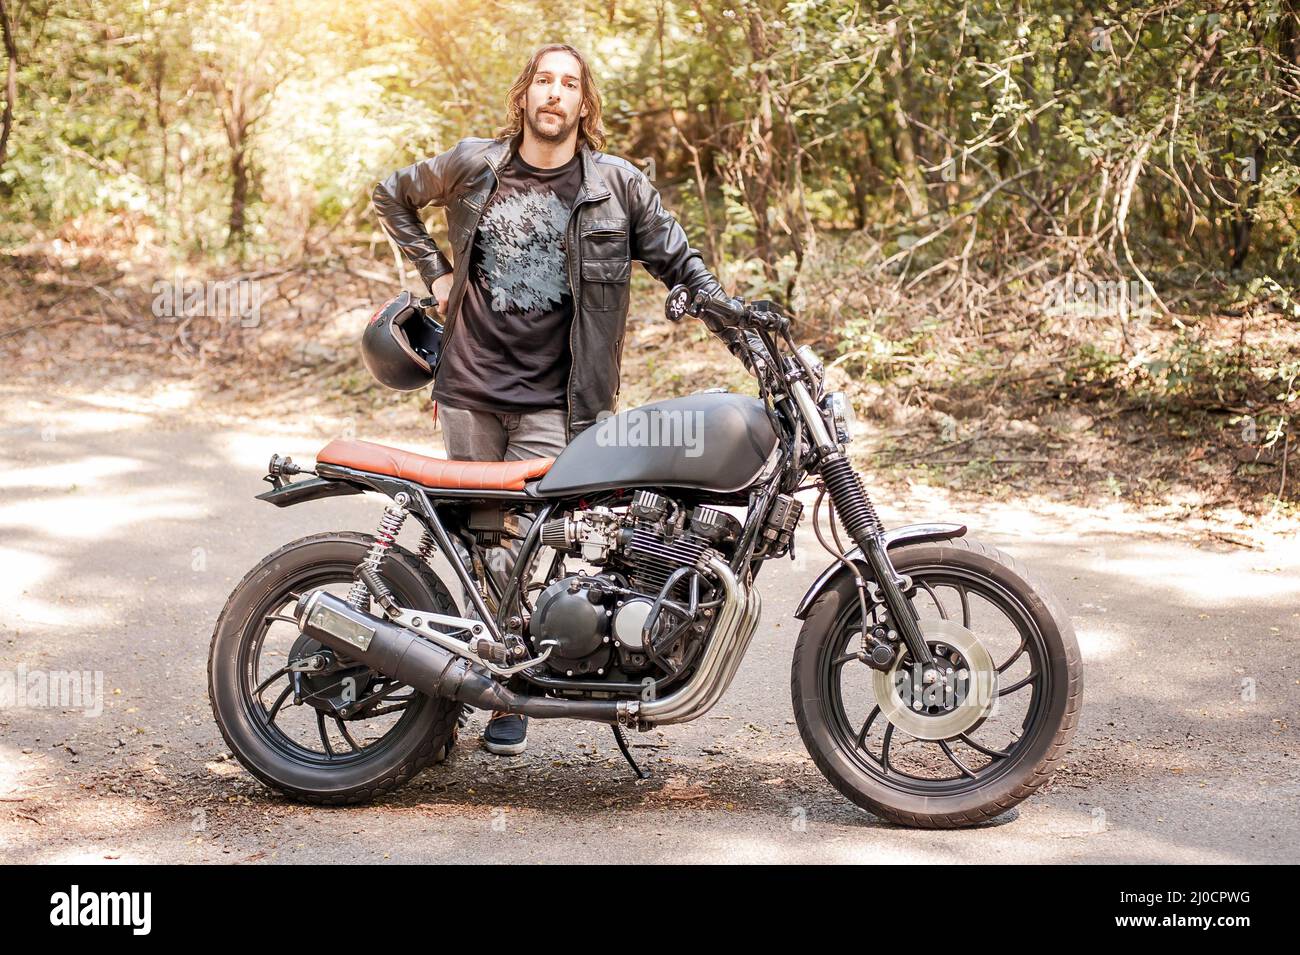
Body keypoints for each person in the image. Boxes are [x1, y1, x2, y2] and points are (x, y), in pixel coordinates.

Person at [372, 42, 732, 756]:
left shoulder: (617, 187)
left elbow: (680, 263)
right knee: (478, 539)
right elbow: (392, 194)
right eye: (544, 81)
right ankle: (469, 686)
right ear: (525, 94)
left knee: (526, 547)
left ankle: (508, 685)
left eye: (569, 84)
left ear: (583, 103)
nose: (555, 94)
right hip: (469, 387)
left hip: (555, 400)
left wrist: (731, 317)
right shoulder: (475, 165)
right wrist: (436, 273)